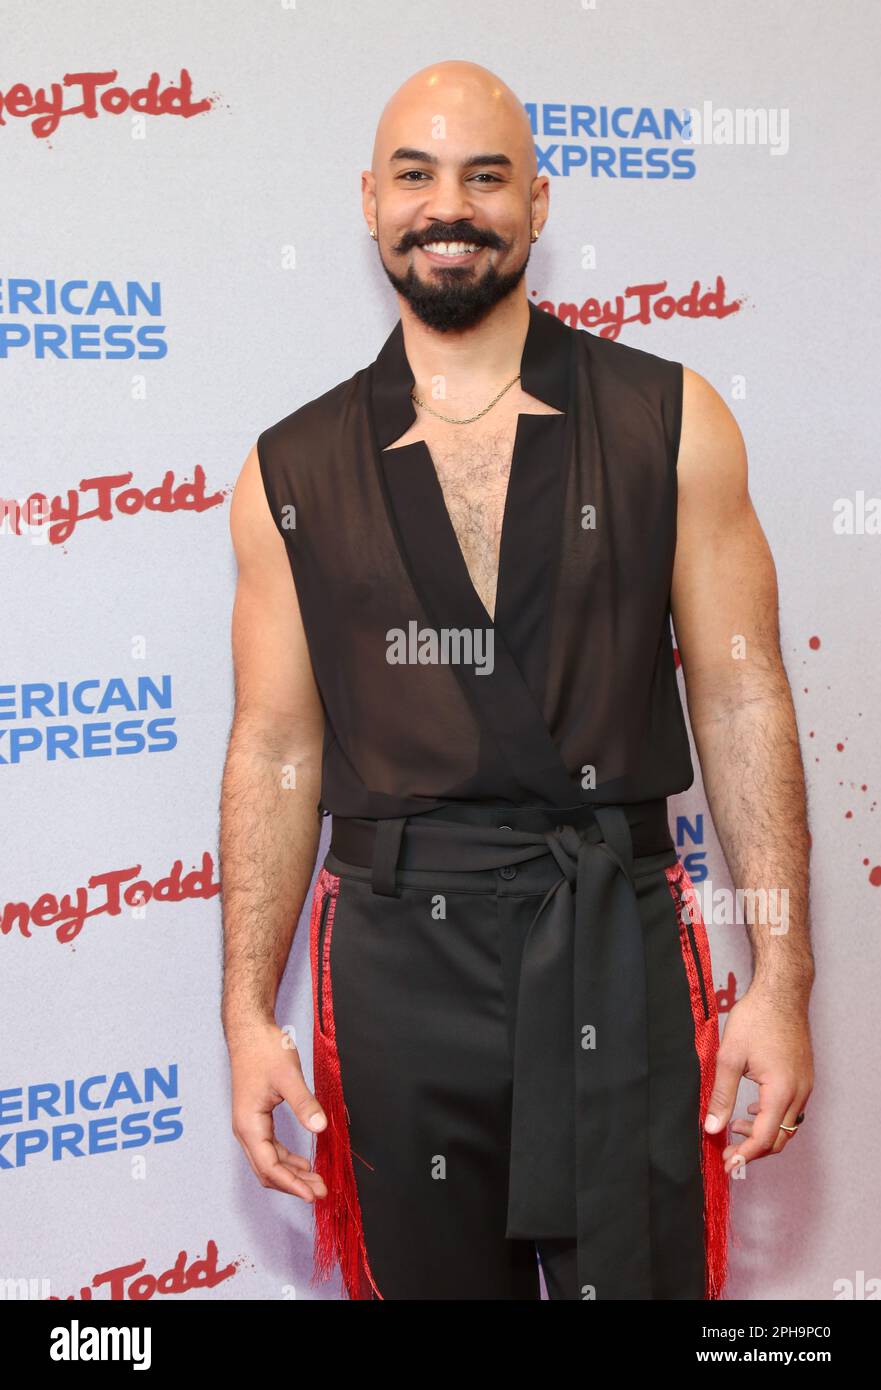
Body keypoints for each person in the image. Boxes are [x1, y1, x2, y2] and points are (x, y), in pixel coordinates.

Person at [220, 60, 814, 1301]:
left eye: (485, 176)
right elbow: (275, 745)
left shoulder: (670, 417)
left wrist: (780, 977)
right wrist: (244, 1013)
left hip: (617, 936)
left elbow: (742, 695)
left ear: (538, 204)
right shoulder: (289, 465)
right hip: (393, 968)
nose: (450, 205)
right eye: (416, 174)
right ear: (368, 201)